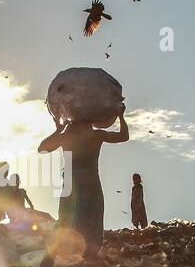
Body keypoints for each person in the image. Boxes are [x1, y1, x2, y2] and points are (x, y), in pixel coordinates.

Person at [37, 110, 129, 258]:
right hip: (89, 182)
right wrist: (120, 116)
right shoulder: (95, 136)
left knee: (67, 218)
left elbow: (42, 149)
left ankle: (53, 256)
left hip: (73, 182)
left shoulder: (68, 136)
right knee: (91, 217)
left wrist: (58, 131)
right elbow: (124, 136)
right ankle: (83, 256)